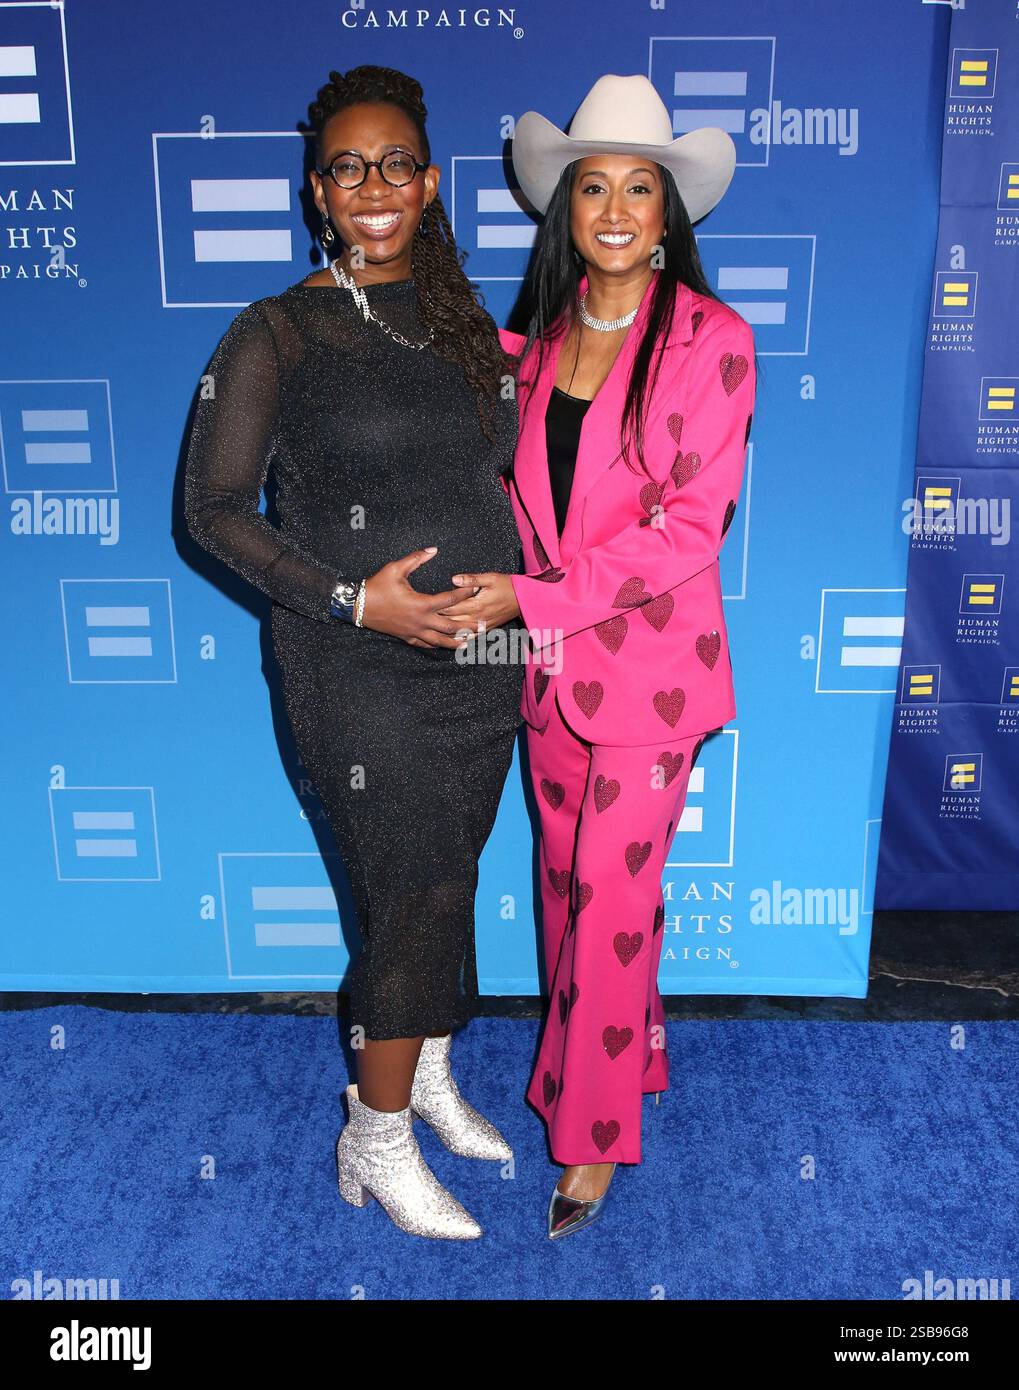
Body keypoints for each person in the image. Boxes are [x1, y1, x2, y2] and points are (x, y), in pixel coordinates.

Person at [182, 65, 525, 1241]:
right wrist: (351, 600)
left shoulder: (469, 325)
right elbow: (212, 509)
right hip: (354, 668)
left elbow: (499, 483)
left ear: (429, 185)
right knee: (411, 889)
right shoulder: (278, 330)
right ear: (316, 194)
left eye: (395, 166)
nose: (372, 186)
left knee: (449, 878)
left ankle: (421, 1077)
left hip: (483, 667)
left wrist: (517, 596)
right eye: (346, 169)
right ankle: (371, 1137)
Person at [438, 74, 757, 1238]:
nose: (615, 207)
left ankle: (590, 1137)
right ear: (561, 207)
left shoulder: (713, 340)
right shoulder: (533, 347)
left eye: (638, 186)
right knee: (575, 899)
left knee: (613, 896)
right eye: (591, 186)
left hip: (654, 679)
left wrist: (530, 596)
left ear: (668, 210)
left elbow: (687, 528)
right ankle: (634, 1058)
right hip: (547, 680)